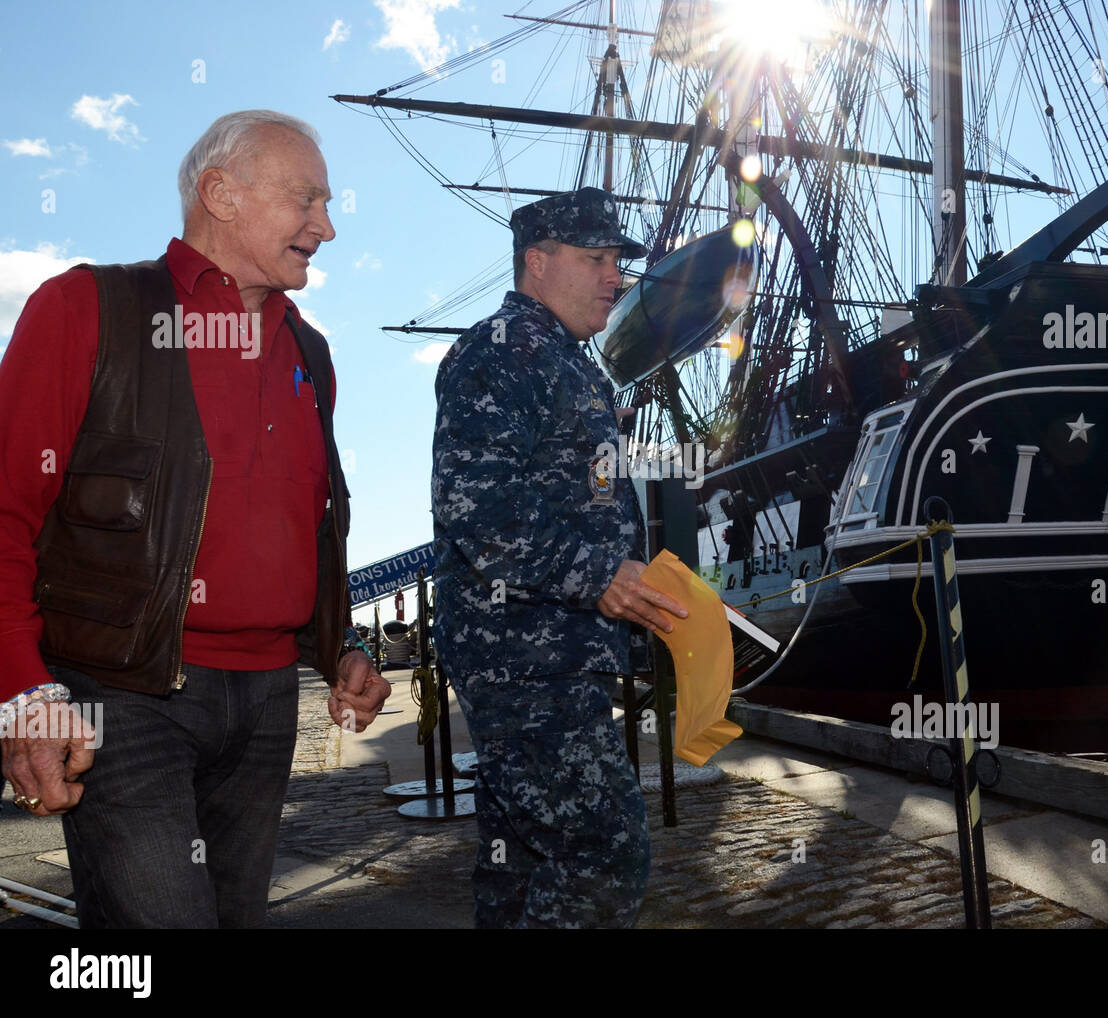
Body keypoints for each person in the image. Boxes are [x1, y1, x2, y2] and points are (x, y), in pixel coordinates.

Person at [0, 110, 390, 928]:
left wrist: (339, 644)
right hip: (124, 696)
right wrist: (22, 694)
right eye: (307, 200)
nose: (327, 225)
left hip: (268, 702)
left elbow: (303, 527)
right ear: (221, 194)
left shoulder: (310, 352)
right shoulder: (84, 308)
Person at [432, 187, 690, 928]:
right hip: (522, 656)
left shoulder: (569, 364)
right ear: (538, 263)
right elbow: (476, 511)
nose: (617, 277)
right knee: (603, 852)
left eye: (617, 261)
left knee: (518, 864)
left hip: (558, 650)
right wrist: (603, 576)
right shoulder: (504, 352)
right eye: (597, 259)